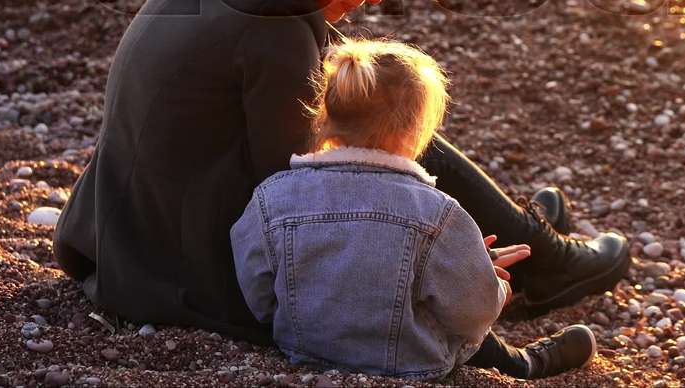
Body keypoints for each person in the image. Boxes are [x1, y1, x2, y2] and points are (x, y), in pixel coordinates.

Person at [53, 0, 630, 342]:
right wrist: (443, 251)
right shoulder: (273, 28)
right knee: (378, 119)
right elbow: (305, 193)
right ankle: (540, 256)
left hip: (117, 231)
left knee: (376, 104)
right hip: (180, 270)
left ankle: (514, 233)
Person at [231, 39, 595, 380]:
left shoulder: (272, 198)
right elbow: (472, 314)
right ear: (413, 131)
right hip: (412, 365)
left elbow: (259, 293)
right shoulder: (437, 215)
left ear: (325, 117)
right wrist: (492, 285)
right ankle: (525, 364)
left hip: (302, 353)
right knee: (454, 320)